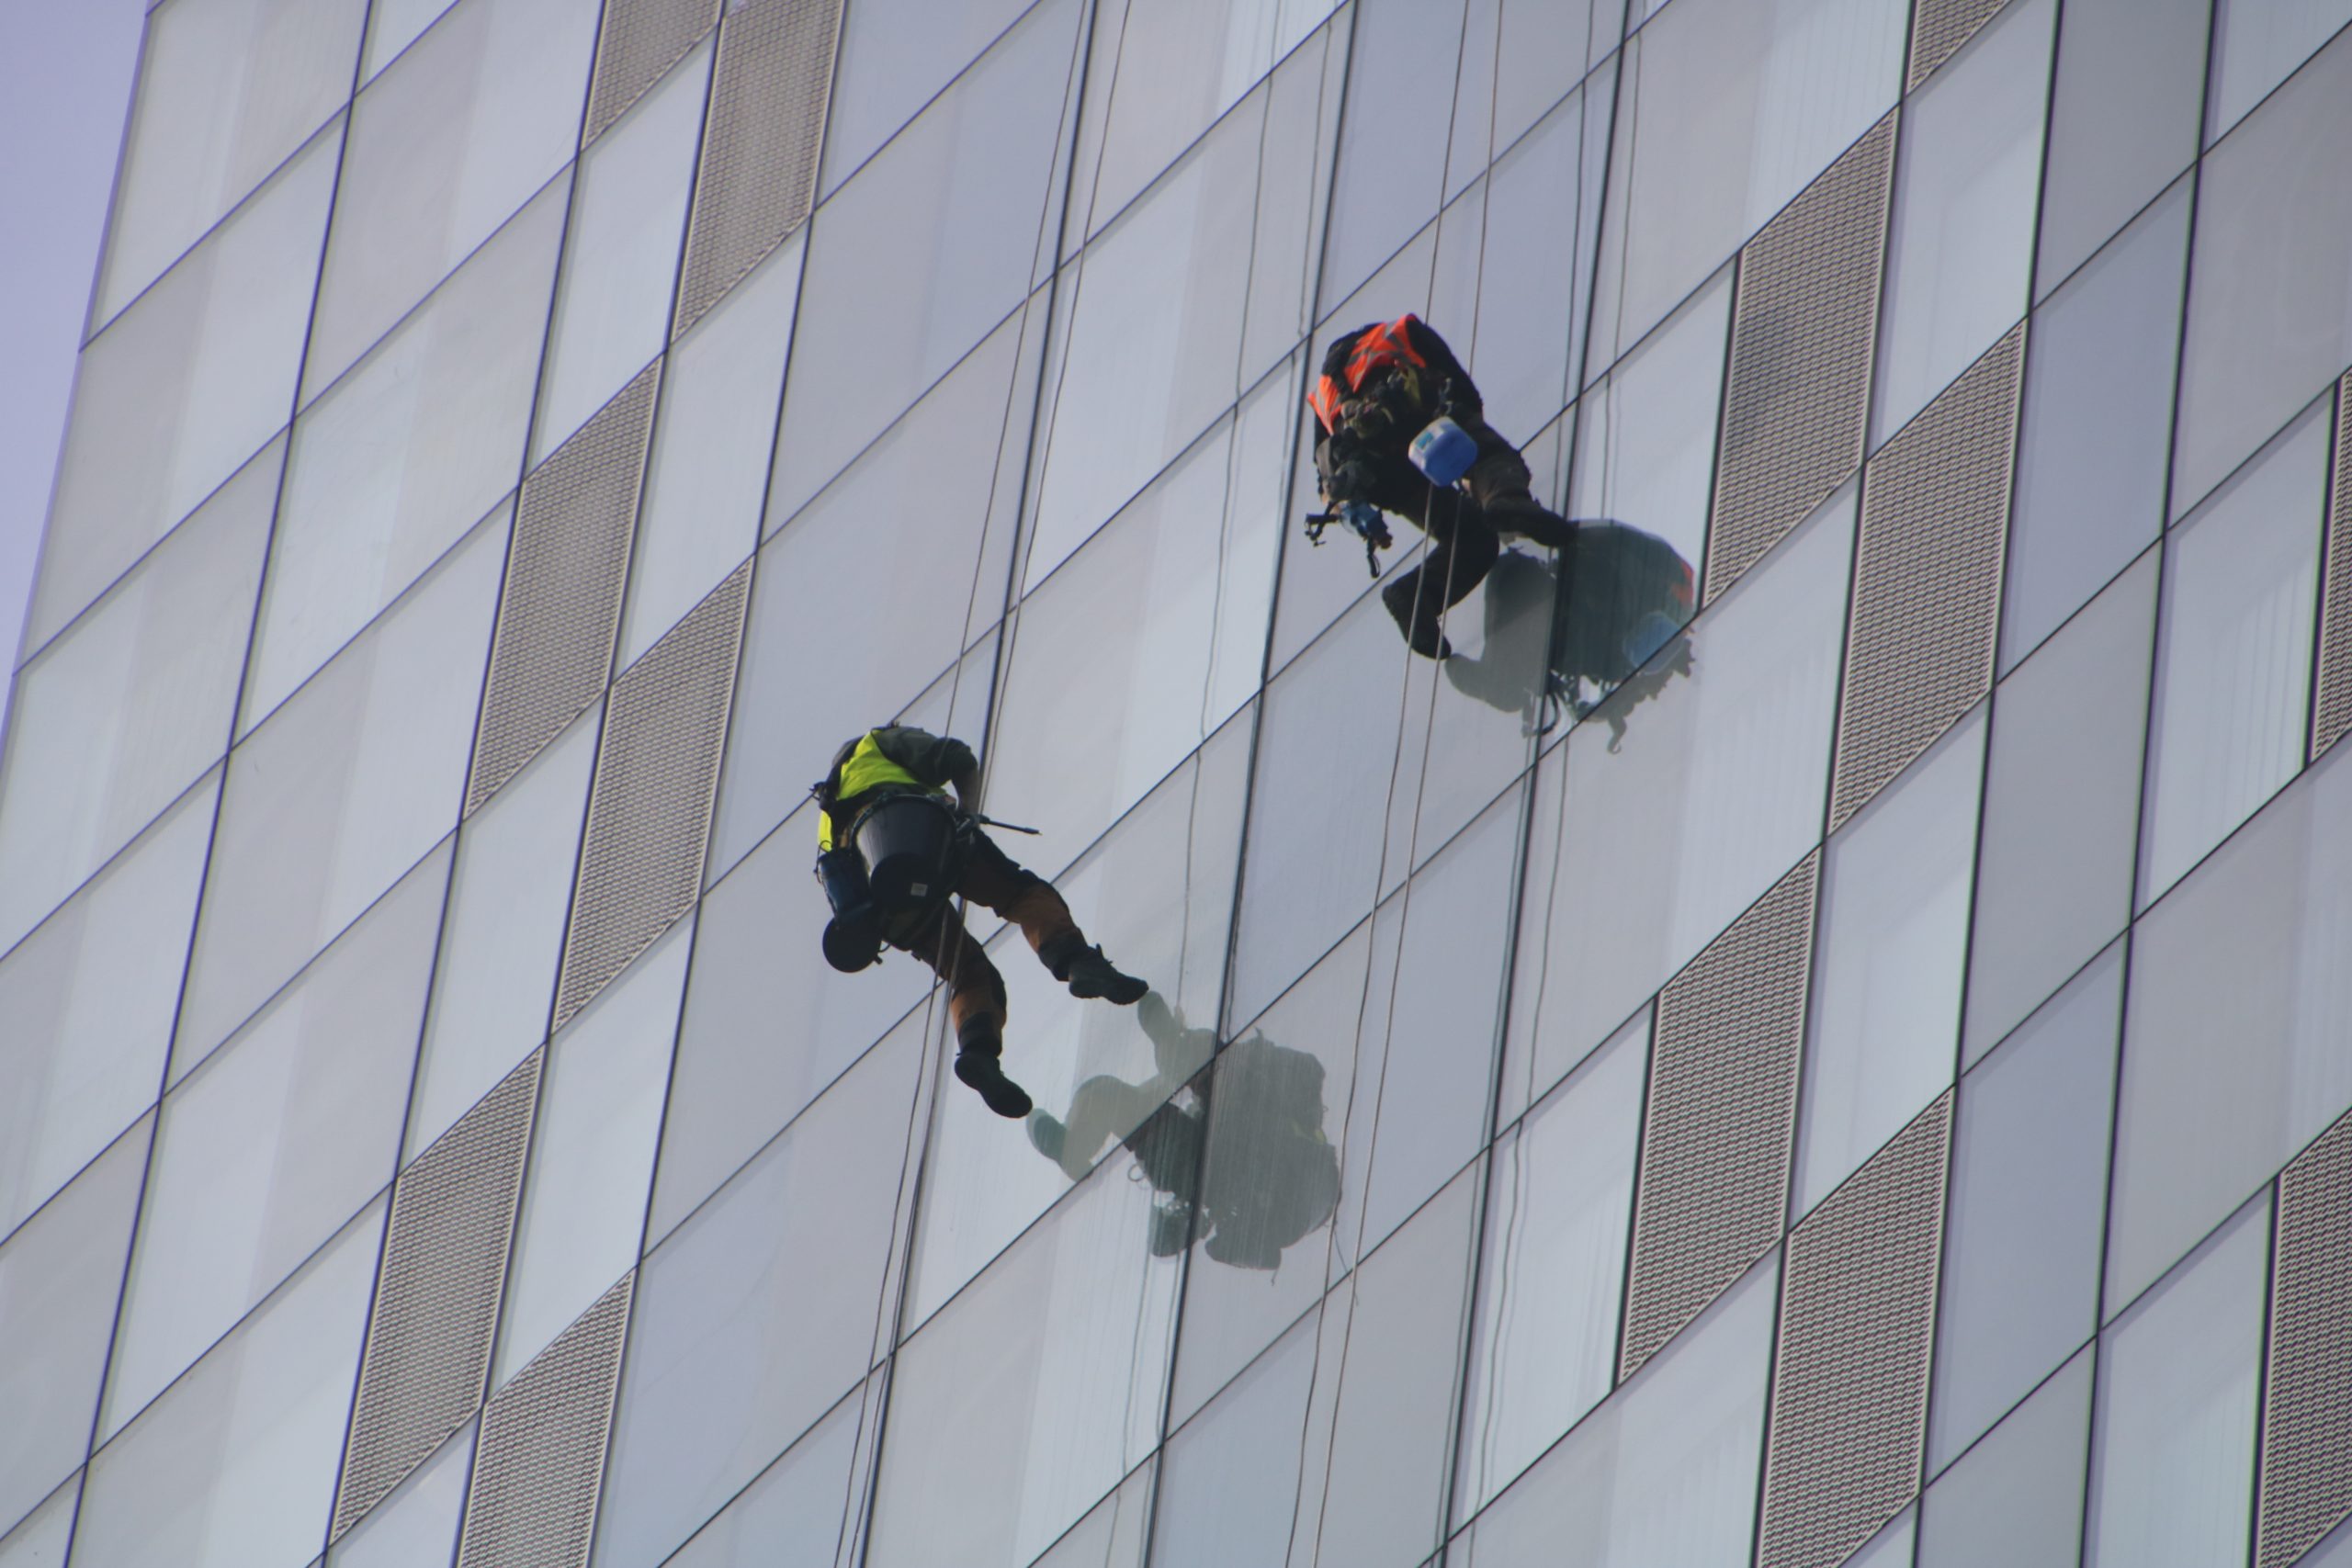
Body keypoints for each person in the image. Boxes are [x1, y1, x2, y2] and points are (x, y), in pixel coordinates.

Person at [811, 726, 1146, 1120]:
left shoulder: (828, 818)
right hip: (925, 841)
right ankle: (1078, 963)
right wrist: (968, 813)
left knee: (967, 971)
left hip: (886, 903)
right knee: (1020, 894)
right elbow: (958, 757)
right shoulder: (877, 743)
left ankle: (977, 1052)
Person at [1307, 313, 1572, 660]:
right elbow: (1458, 385)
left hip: (1380, 473)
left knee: (1469, 536)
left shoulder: (1322, 394)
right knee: (1488, 457)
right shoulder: (1396, 330)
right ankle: (1506, 501)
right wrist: (1466, 427)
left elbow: (1326, 479)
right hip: (1414, 416)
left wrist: (1365, 520)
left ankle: (1414, 596)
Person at [1026, 992, 1340, 1271]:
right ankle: (1073, 1148)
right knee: (1127, 1089)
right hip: (1230, 1142)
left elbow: (1241, 1248)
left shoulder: (1247, 1184)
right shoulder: (1264, 1177)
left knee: (1118, 1092)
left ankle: (1073, 1148)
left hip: (1224, 1148)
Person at [1443, 522, 1697, 746]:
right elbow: (1606, 541)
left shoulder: (1615, 661)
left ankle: (1453, 660)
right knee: (1504, 691)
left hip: (1531, 597)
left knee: (1506, 693)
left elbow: (1580, 693)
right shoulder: (1636, 591)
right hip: (1528, 586)